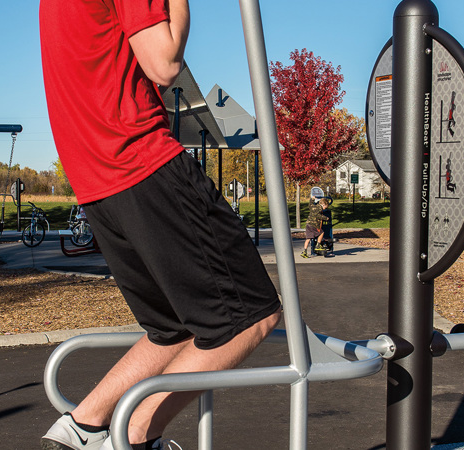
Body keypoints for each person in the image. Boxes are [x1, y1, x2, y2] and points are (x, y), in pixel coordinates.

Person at [38, 1, 282, 449]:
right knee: (250, 316)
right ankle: (130, 439)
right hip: (142, 161)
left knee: (176, 327)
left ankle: (83, 426)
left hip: (97, 182)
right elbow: (163, 61)